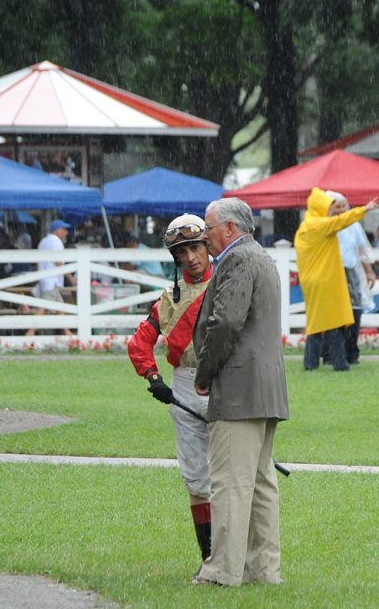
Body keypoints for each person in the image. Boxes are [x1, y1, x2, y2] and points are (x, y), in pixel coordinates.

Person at [191, 197, 289, 587]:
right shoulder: (261, 257)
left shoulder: (237, 260)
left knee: (230, 482)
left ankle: (222, 572)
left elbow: (226, 321)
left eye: (208, 227)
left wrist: (204, 370)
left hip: (238, 386)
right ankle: (262, 570)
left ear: (230, 228)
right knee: (261, 483)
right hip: (266, 388)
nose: (204, 235)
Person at [127, 214, 213, 564]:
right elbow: (139, 343)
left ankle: (235, 552)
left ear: (207, 245)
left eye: (195, 248)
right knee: (196, 478)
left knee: (232, 474)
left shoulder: (228, 282)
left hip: (226, 384)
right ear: (175, 258)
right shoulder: (168, 299)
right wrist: (153, 378)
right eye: (182, 252)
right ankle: (209, 558)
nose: (191, 257)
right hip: (183, 385)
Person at [295, 188, 379, 371]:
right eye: (328, 206)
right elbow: (342, 221)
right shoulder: (320, 225)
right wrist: (364, 209)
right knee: (335, 321)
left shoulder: (306, 226)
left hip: (312, 280)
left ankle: (311, 363)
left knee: (316, 323)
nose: (332, 210)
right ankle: (339, 362)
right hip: (325, 279)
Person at [329, 192, 376, 364]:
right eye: (337, 207)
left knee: (355, 309)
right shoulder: (328, 225)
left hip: (349, 271)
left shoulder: (353, 225)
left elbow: (361, 249)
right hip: (332, 272)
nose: (341, 210)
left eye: (343, 206)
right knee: (334, 313)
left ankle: (351, 351)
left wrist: (369, 271)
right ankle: (332, 353)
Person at [26, 219, 76, 337]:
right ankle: (31, 330)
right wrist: (70, 277)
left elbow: (38, 261)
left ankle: (66, 331)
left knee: (59, 306)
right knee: (45, 306)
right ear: (57, 230)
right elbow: (58, 261)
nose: (66, 233)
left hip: (45, 279)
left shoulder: (43, 241)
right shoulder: (56, 242)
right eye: (64, 230)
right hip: (52, 280)